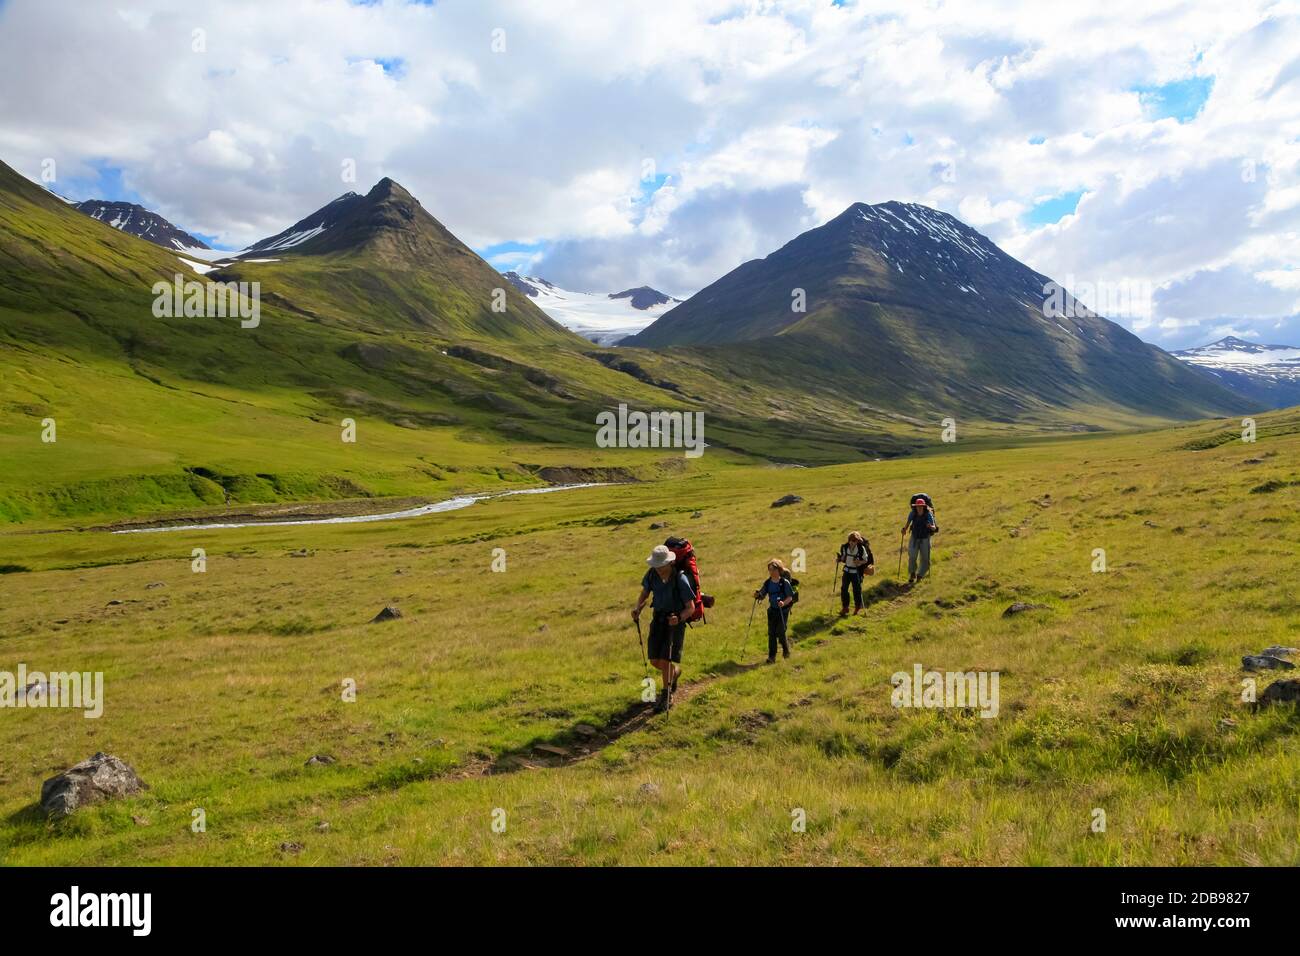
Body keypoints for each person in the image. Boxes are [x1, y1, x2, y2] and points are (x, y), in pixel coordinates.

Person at [632, 544, 696, 712]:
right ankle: (675, 673)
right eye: (656, 566)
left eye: (661, 566)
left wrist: (679, 618)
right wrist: (638, 608)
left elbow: (691, 607)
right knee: (654, 660)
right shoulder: (652, 575)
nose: (658, 569)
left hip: (675, 621)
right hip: (658, 619)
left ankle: (666, 695)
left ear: (669, 563)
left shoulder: (680, 579)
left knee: (665, 659)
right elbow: (645, 593)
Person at [753, 558, 795, 664]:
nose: (771, 572)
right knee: (771, 634)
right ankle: (772, 657)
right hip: (772, 611)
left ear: (779, 570)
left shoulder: (784, 582)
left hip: (783, 611)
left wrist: (783, 603)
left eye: (773, 569)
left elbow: (790, 597)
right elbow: (763, 593)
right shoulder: (768, 583)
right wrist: (758, 595)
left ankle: (786, 650)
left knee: (780, 631)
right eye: (770, 570)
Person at [837, 531, 875, 615]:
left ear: (857, 541)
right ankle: (845, 607)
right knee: (844, 589)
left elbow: (865, 560)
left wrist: (859, 562)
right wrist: (839, 559)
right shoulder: (845, 547)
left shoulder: (861, 548)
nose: (851, 542)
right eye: (850, 540)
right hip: (846, 571)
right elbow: (843, 558)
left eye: (853, 541)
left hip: (856, 572)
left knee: (856, 590)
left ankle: (857, 607)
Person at [902, 496, 937, 584]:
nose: (919, 508)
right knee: (912, 556)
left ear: (924, 506)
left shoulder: (928, 514)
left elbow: (934, 527)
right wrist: (904, 529)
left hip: (925, 538)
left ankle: (920, 575)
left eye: (921, 506)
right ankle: (912, 573)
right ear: (915, 507)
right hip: (914, 537)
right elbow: (908, 522)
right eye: (918, 506)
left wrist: (930, 527)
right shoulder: (913, 513)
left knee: (925, 558)